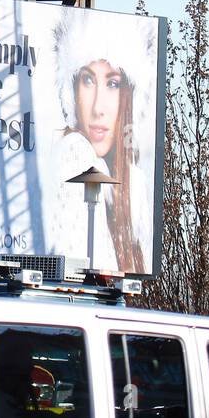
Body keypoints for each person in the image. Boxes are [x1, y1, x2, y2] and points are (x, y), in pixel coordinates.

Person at [51, 14, 157, 274]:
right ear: (72, 90)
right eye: (88, 80)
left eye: (112, 84)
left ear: (129, 95)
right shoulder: (73, 155)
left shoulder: (133, 186)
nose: (98, 107)